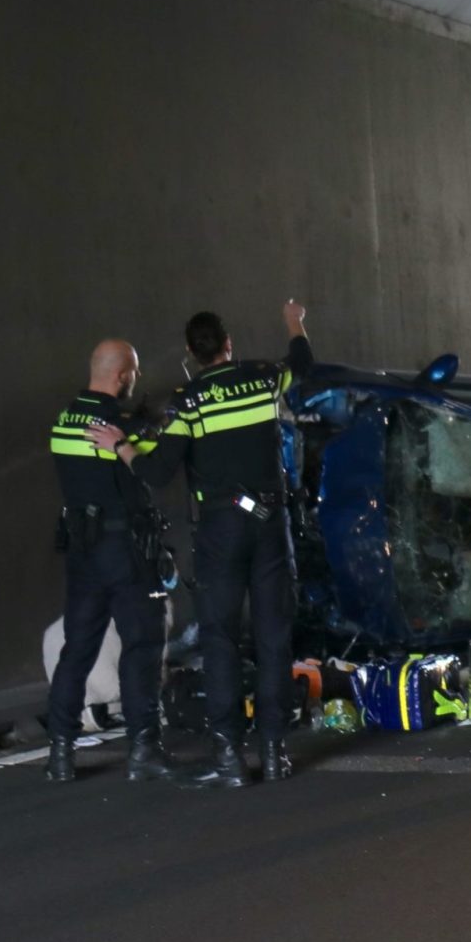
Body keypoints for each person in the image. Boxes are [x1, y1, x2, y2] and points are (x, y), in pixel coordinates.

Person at [89, 300, 313, 786]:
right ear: (229, 345)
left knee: (220, 641)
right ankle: (275, 754)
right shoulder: (265, 378)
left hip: (221, 529)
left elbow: (156, 471)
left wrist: (119, 445)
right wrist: (294, 322)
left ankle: (230, 758)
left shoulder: (189, 402)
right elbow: (303, 365)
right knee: (275, 639)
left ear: (191, 352)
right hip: (272, 524)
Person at [45, 340, 173, 782]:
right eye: (133, 372)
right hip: (127, 551)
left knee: (76, 649)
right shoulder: (120, 426)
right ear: (122, 375)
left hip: (82, 551)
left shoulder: (64, 419)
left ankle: (60, 754)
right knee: (142, 646)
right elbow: (156, 470)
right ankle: (144, 750)